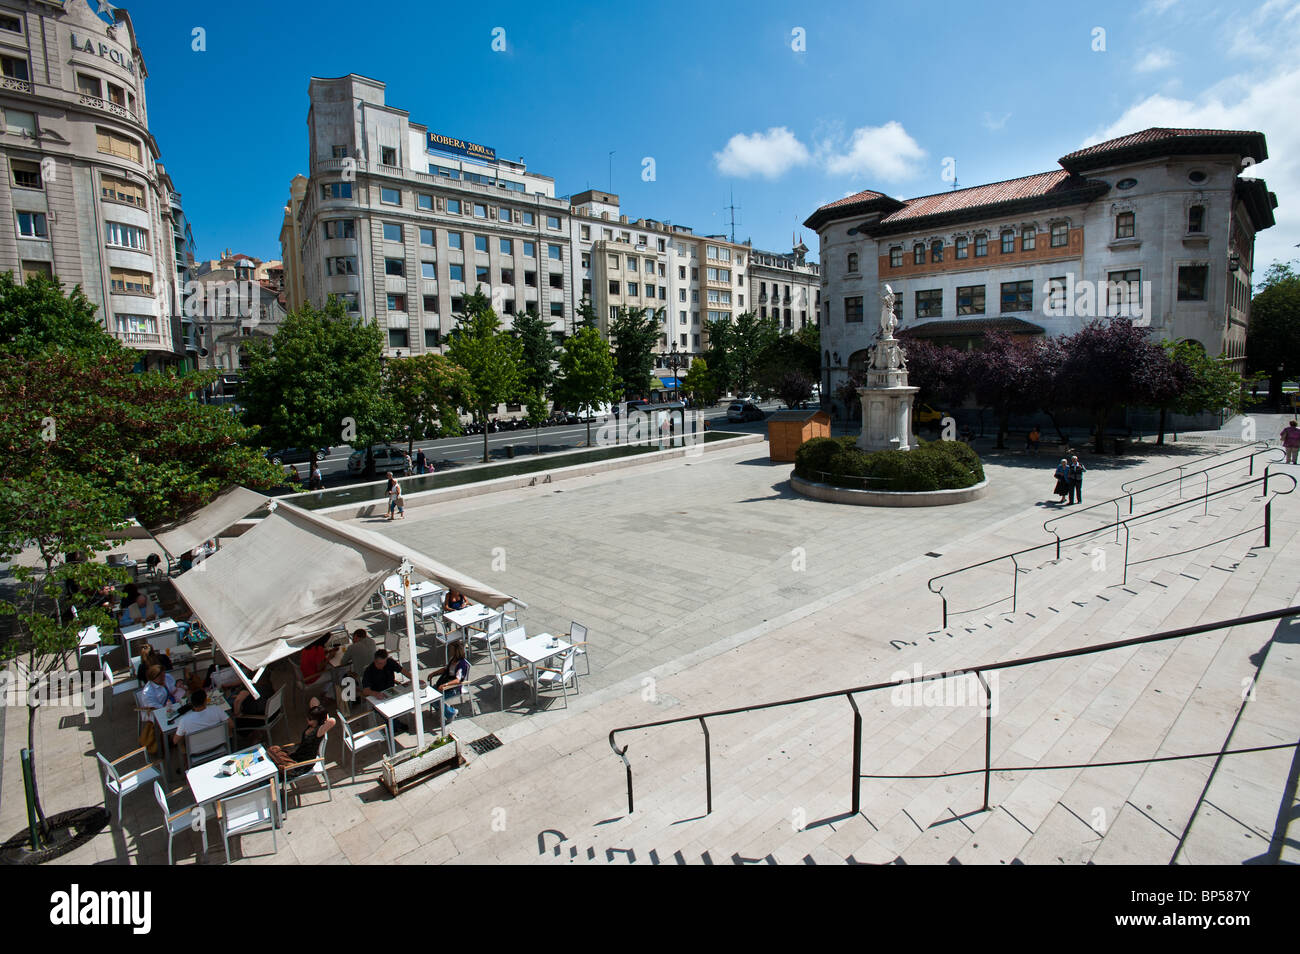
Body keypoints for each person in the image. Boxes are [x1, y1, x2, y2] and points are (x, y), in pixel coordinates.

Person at [268, 699, 336, 776]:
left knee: (277, 762)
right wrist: (319, 711)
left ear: (317, 720)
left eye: (310, 719)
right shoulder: (312, 725)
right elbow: (314, 699)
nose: (307, 719)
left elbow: (332, 721)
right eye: (308, 717)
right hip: (297, 756)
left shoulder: (319, 731)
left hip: (304, 763)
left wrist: (324, 716)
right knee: (273, 751)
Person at [360, 650, 411, 733]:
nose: (383, 665)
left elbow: (403, 671)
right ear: (375, 661)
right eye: (380, 663)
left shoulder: (389, 662)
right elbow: (365, 691)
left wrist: (415, 679)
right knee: (388, 713)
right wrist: (375, 694)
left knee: (406, 702)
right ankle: (395, 724)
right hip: (377, 697)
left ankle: (394, 723)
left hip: (392, 692)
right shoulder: (369, 671)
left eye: (384, 663)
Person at [432, 642, 470, 724]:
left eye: (451, 649)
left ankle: (451, 713)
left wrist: (445, 685)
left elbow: (458, 680)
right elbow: (445, 669)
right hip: (443, 685)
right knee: (430, 694)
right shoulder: (453, 659)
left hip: (453, 689)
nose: (450, 651)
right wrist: (433, 673)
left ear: (456, 651)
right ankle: (442, 708)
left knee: (436, 699)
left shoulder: (462, 664)